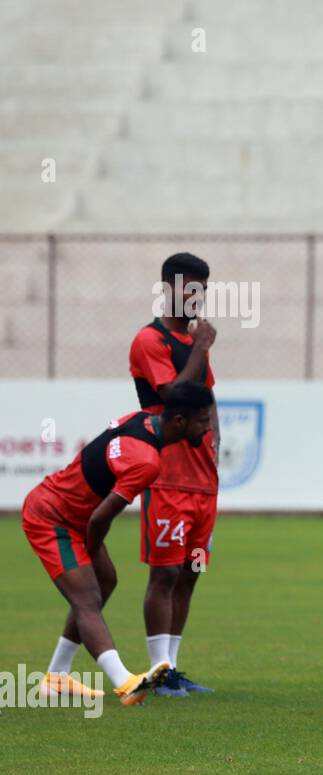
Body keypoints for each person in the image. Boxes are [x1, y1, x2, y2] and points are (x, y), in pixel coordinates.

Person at [25, 384, 216, 705]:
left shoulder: (141, 421)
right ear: (180, 422)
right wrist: (89, 549)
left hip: (75, 517)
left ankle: (57, 676)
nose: (208, 427)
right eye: (203, 420)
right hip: (52, 516)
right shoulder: (147, 462)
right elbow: (100, 518)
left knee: (105, 581)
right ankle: (126, 682)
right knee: (88, 596)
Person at [128, 251, 219, 696]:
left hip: (203, 482)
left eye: (201, 288)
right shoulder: (151, 341)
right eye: (188, 287)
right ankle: (156, 670)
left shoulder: (193, 342)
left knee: (190, 573)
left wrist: (215, 443)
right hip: (166, 478)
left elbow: (205, 397)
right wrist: (200, 347)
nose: (195, 296)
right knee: (163, 575)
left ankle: (173, 667)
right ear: (167, 288)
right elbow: (177, 396)